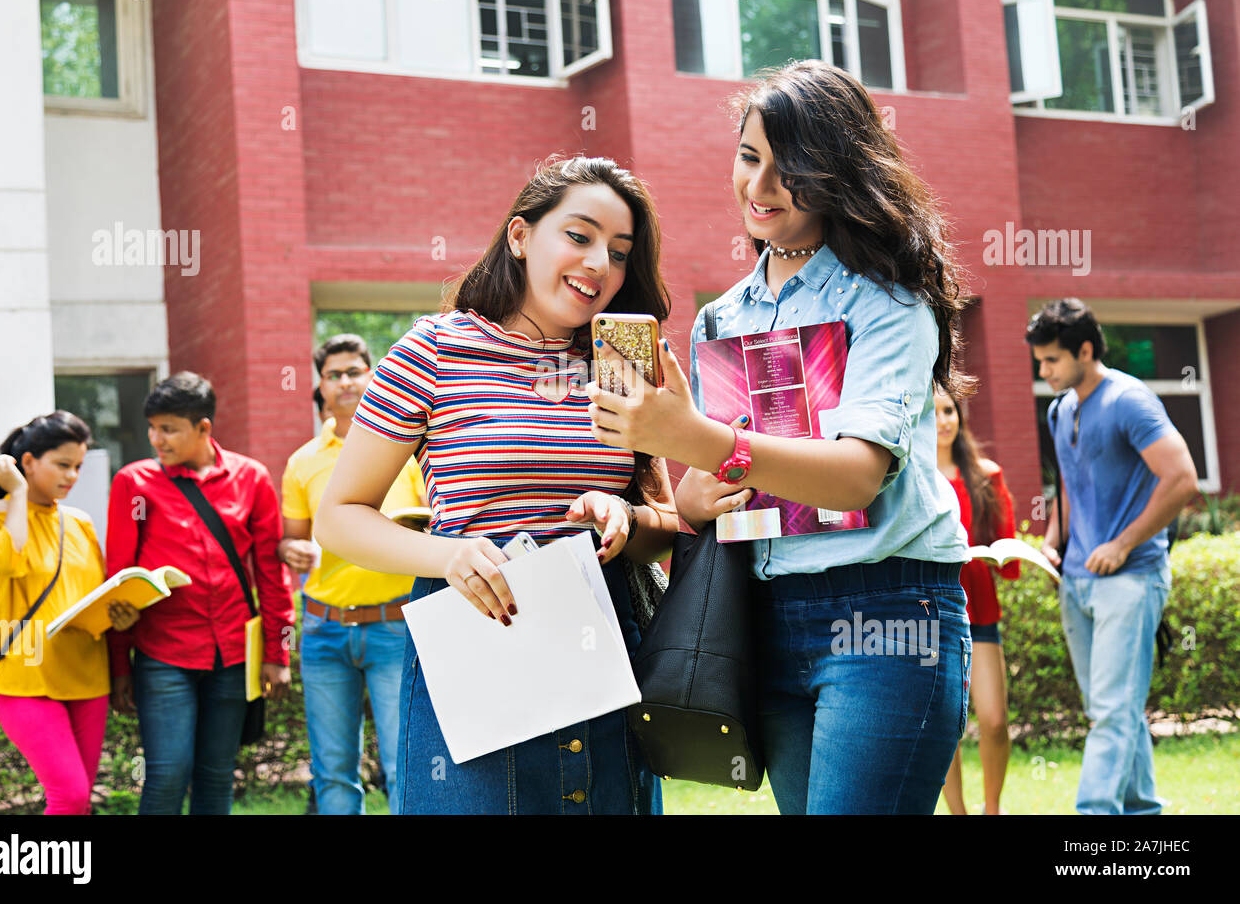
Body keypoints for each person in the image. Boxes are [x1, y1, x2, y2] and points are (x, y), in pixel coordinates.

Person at [588, 60, 972, 815]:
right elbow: (731, 490)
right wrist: (699, 494)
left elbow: (860, 476)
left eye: (788, 167)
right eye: (749, 156)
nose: (760, 187)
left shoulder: (888, 301)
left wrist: (700, 439)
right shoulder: (720, 319)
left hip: (888, 612)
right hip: (765, 616)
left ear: (837, 170)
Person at [315, 156, 677, 815]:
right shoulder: (436, 349)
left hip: (603, 653)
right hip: (476, 650)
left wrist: (621, 519)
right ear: (519, 237)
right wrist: (445, 554)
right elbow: (339, 515)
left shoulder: (625, 363)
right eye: (578, 235)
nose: (599, 263)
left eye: (620, 253)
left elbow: (665, 530)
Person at [1026, 299, 1198, 814]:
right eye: (1039, 361)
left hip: (1131, 576)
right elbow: (1069, 488)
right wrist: (1053, 542)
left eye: (1052, 360)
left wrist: (1123, 542)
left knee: (1110, 710)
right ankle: (1142, 809)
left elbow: (1182, 478)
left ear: (1084, 349)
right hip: (1077, 580)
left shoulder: (1129, 400)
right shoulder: (1061, 410)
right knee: (1113, 709)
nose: (1043, 371)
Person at [105, 372, 295, 815]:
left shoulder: (252, 478)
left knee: (215, 776)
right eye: (152, 427)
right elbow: (119, 587)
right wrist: (119, 668)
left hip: (232, 656)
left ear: (203, 428)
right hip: (162, 656)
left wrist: (278, 653)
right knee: (168, 774)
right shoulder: (134, 484)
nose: (156, 439)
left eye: (168, 429)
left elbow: (270, 572)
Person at [280, 333, 429, 814]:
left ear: (373, 375)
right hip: (325, 628)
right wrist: (294, 548)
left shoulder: (410, 452)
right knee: (334, 770)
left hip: (395, 625)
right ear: (320, 386)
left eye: (354, 371)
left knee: (403, 761)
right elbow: (291, 538)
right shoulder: (302, 462)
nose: (345, 382)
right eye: (333, 374)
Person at [0, 411, 137, 815]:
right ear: (28, 462)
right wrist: (16, 493)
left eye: (78, 465)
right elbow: (12, 562)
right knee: (71, 796)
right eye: (62, 464)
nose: (73, 476)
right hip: (26, 680)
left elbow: (90, 596)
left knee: (77, 801)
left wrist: (120, 615)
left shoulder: (79, 523)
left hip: (87, 679)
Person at [933, 387, 1019, 815]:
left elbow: (1006, 552)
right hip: (932, 611)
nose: (944, 420)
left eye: (949, 410)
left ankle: (992, 809)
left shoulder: (986, 474)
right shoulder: (912, 477)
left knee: (995, 720)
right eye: (932, 414)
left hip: (979, 608)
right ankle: (959, 812)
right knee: (948, 726)